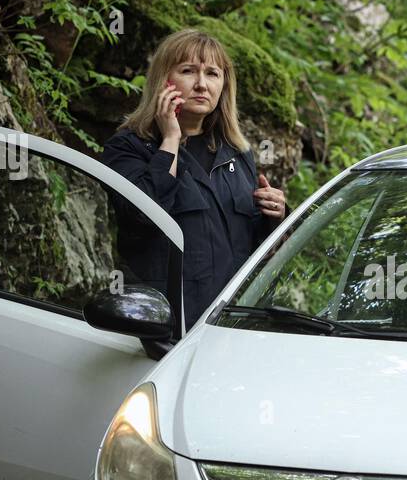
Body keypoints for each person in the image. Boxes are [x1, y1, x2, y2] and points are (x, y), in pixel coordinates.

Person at [101, 29, 286, 330]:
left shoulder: (238, 154)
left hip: (232, 326)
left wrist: (274, 215)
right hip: (166, 326)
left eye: (212, 73)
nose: (202, 84)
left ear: (224, 85)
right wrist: (171, 138)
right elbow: (141, 215)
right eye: (188, 71)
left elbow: (255, 250)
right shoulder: (127, 148)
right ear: (164, 80)